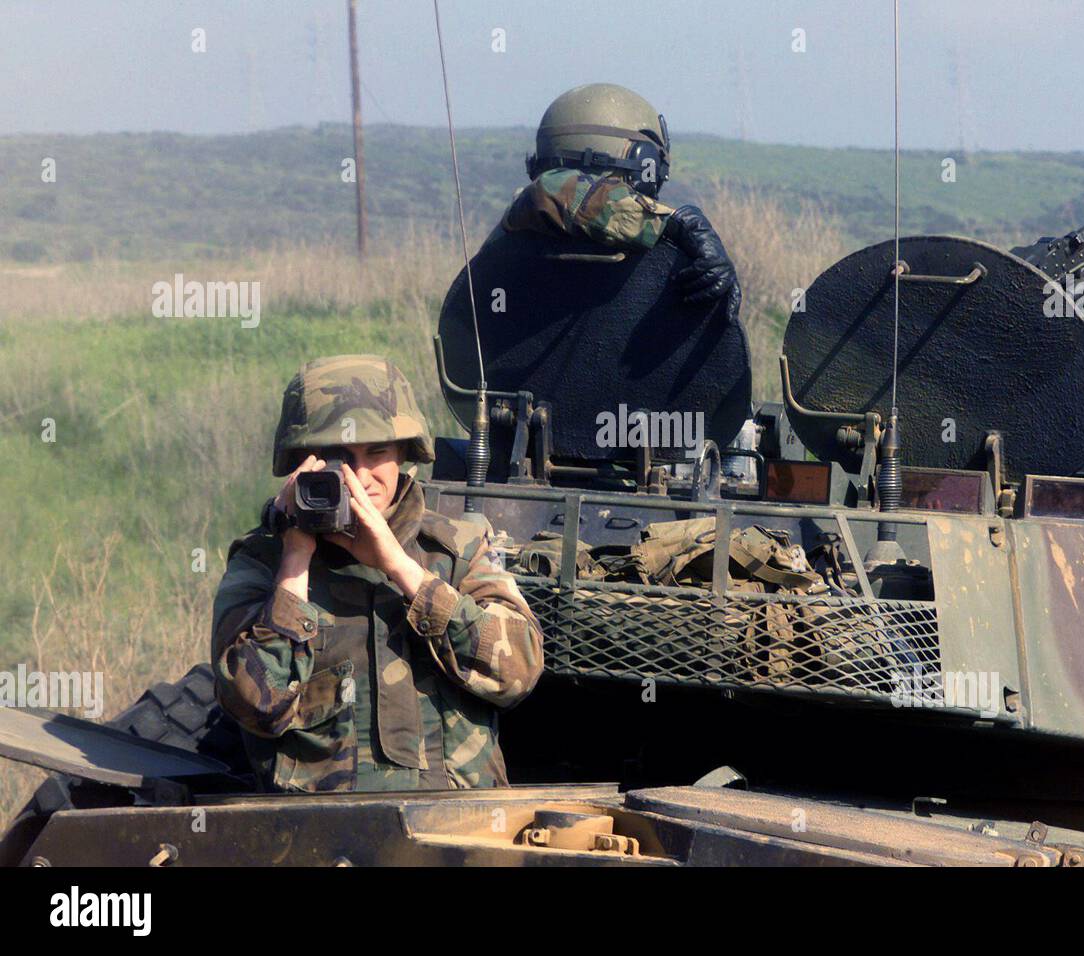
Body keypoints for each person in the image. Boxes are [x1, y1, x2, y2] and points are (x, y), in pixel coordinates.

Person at [210, 355, 543, 793]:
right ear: (304, 464)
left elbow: (518, 672)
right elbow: (253, 704)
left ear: (404, 454)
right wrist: (294, 559)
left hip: (458, 831)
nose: (361, 476)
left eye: (377, 453)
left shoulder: (456, 550)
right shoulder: (263, 562)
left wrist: (402, 569)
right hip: (322, 839)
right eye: (341, 458)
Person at [502, 82, 740, 306]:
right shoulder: (532, 205)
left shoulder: (526, 232)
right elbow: (555, 190)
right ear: (639, 160)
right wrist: (676, 223)